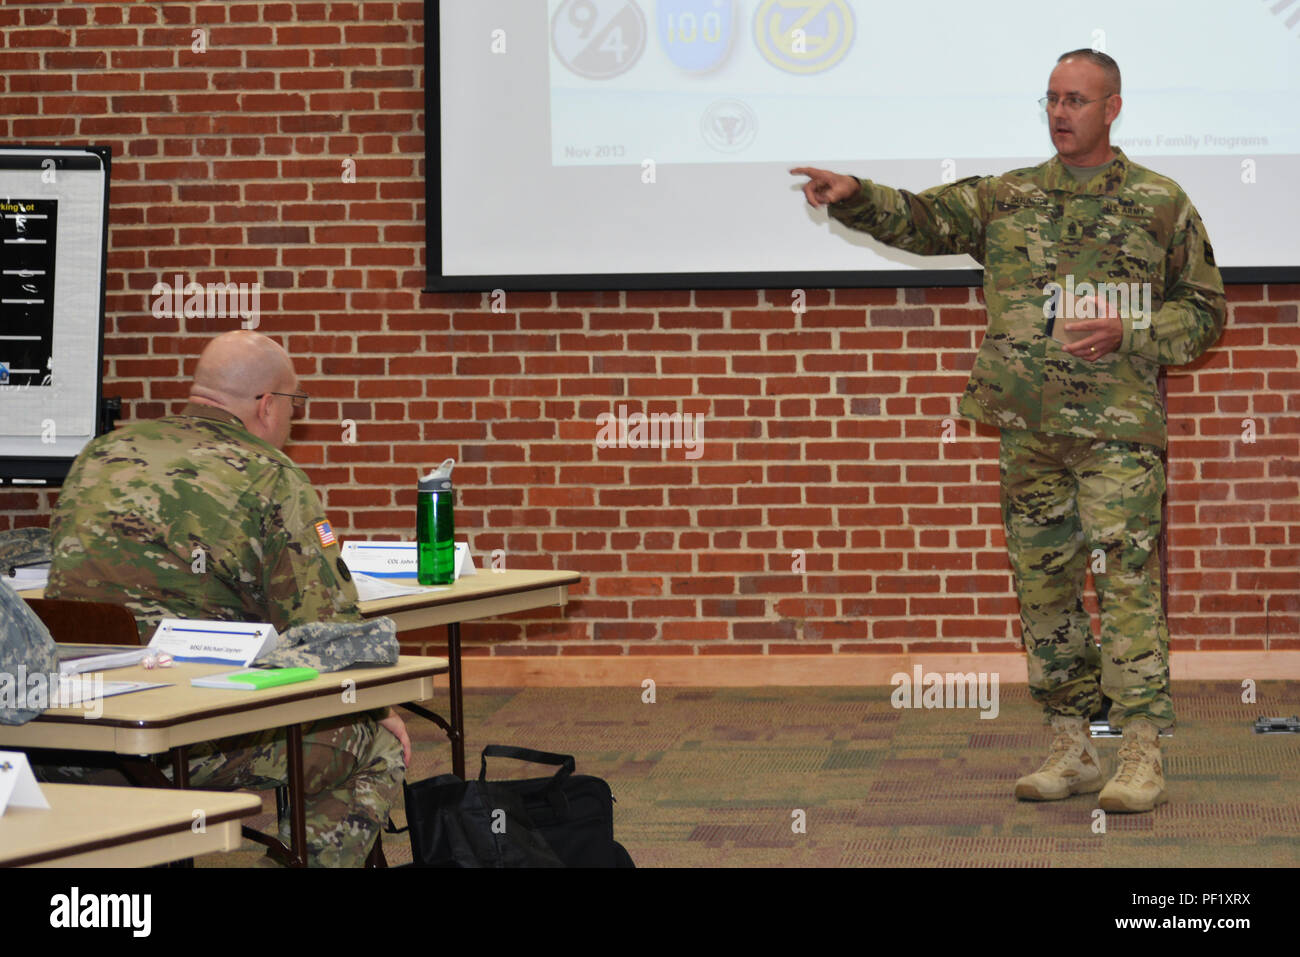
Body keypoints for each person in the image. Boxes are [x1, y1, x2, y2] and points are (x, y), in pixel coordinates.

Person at [793, 50, 1225, 813]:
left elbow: (1204, 312)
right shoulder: (1009, 195)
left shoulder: (1160, 202)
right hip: (1029, 432)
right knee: (1046, 588)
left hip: (1118, 434)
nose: (1062, 113)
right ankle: (1073, 745)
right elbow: (922, 220)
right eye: (1053, 99)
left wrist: (1126, 331)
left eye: (1079, 101)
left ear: (1113, 108)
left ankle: (1143, 752)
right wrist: (856, 197)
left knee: (1125, 583)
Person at [46, 330, 411, 865]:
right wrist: (380, 706)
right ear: (267, 405)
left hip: (61, 734)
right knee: (372, 745)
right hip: (184, 743)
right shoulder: (272, 477)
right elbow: (330, 629)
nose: (294, 419)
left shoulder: (100, 453)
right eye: (295, 405)